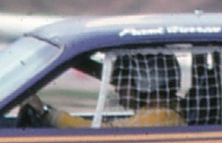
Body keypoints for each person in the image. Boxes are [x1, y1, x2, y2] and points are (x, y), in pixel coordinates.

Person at [20, 51, 185, 129]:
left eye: (122, 80)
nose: (117, 87)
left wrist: (46, 113)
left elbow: (101, 134)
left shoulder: (159, 116)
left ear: (146, 83)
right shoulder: (157, 113)